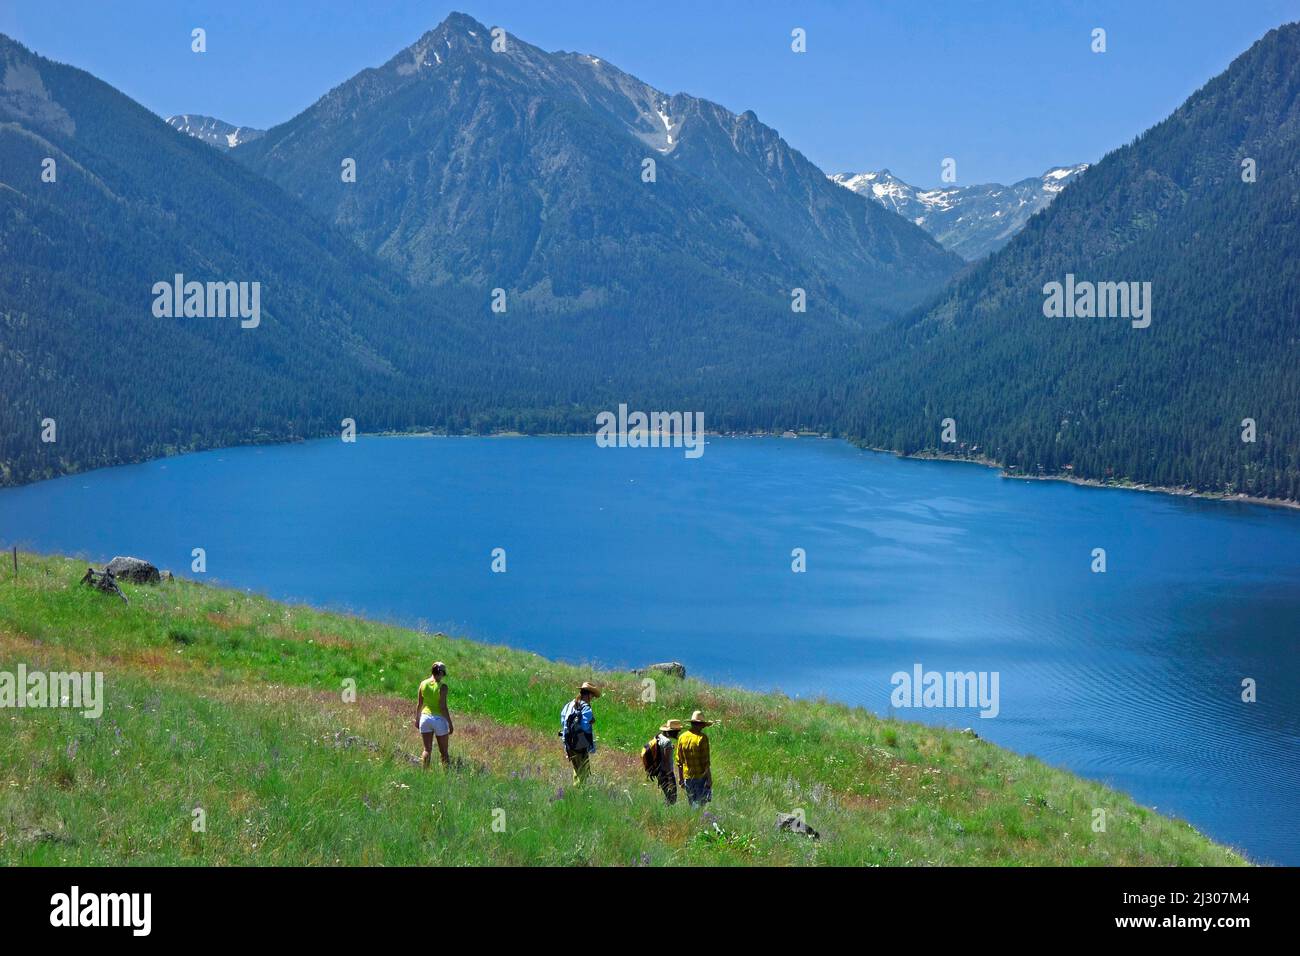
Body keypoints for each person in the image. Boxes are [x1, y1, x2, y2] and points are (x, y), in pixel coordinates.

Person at [414, 661, 453, 769]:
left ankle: (424, 773)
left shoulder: (423, 684)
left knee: (427, 749)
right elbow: (443, 707)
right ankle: (446, 775)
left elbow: (419, 704)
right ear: (441, 673)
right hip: (439, 720)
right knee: (444, 752)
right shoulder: (443, 687)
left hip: (425, 718)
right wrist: (450, 724)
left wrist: (417, 719)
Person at [559, 681, 600, 783]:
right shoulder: (586, 708)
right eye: (592, 696)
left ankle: (577, 790)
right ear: (589, 695)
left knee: (576, 769)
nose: (592, 698)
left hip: (568, 741)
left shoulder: (569, 705)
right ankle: (580, 793)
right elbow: (585, 727)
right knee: (583, 772)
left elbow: (563, 721)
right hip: (580, 744)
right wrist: (591, 721)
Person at [677, 710, 713, 807]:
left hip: (687, 777)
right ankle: (700, 822)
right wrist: (709, 779)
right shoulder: (702, 738)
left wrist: (680, 779)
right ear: (701, 725)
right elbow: (705, 762)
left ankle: (693, 821)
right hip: (700, 777)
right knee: (700, 806)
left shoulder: (682, 737)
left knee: (692, 805)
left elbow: (679, 761)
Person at [650, 719, 682, 805]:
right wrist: (670, 778)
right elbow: (667, 762)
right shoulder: (667, 742)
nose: (678, 733)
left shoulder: (658, 737)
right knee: (672, 799)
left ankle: (664, 811)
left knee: (668, 797)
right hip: (666, 773)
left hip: (659, 771)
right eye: (677, 731)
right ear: (672, 732)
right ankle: (665, 814)